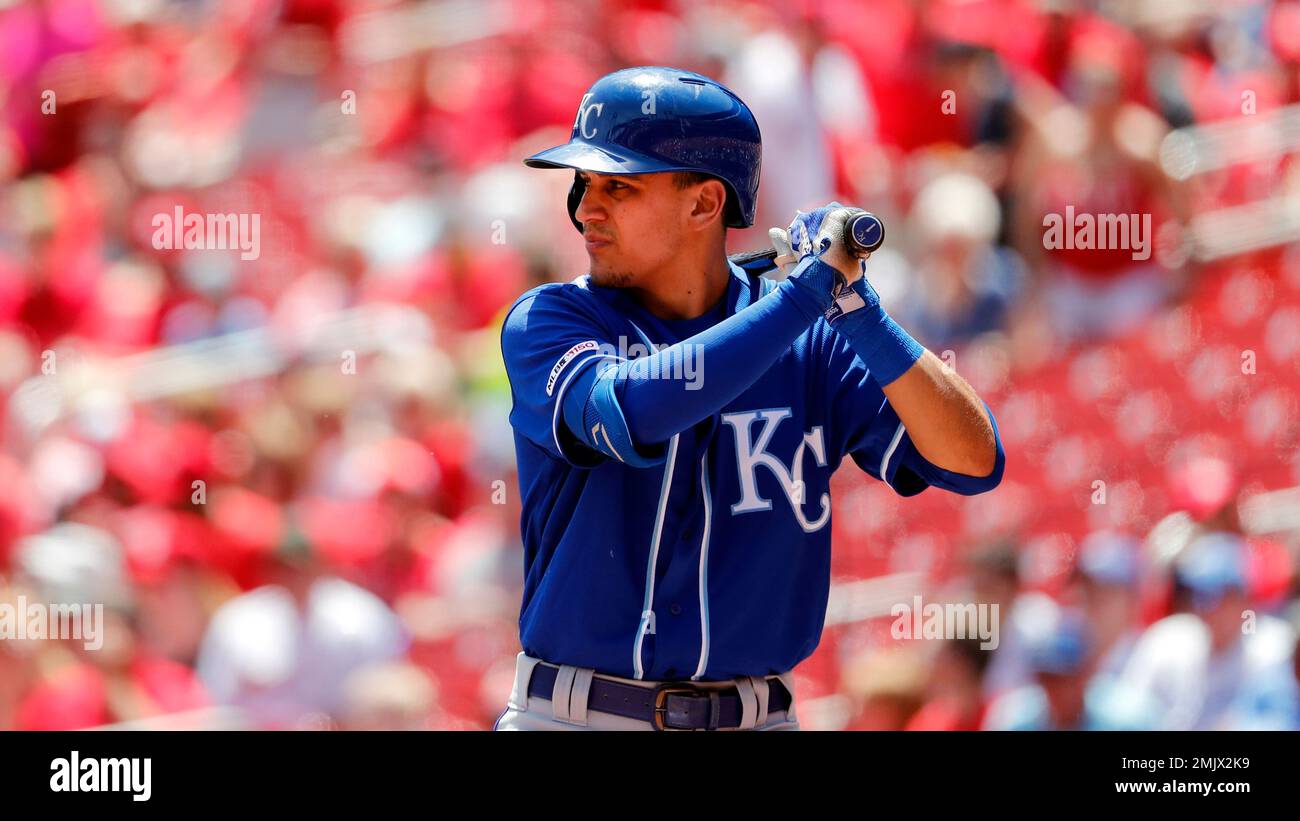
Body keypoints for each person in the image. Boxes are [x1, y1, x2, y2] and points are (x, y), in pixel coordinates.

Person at [496, 67, 1005, 731]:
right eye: (584, 184)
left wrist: (861, 313)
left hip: (759, 715)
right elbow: (630, 412)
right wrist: (802, 299)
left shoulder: (813, 339)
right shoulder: (550, 320)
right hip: (577, 716)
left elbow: (974, 460)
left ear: (704, 205)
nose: (586, 209)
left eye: (618, 186)